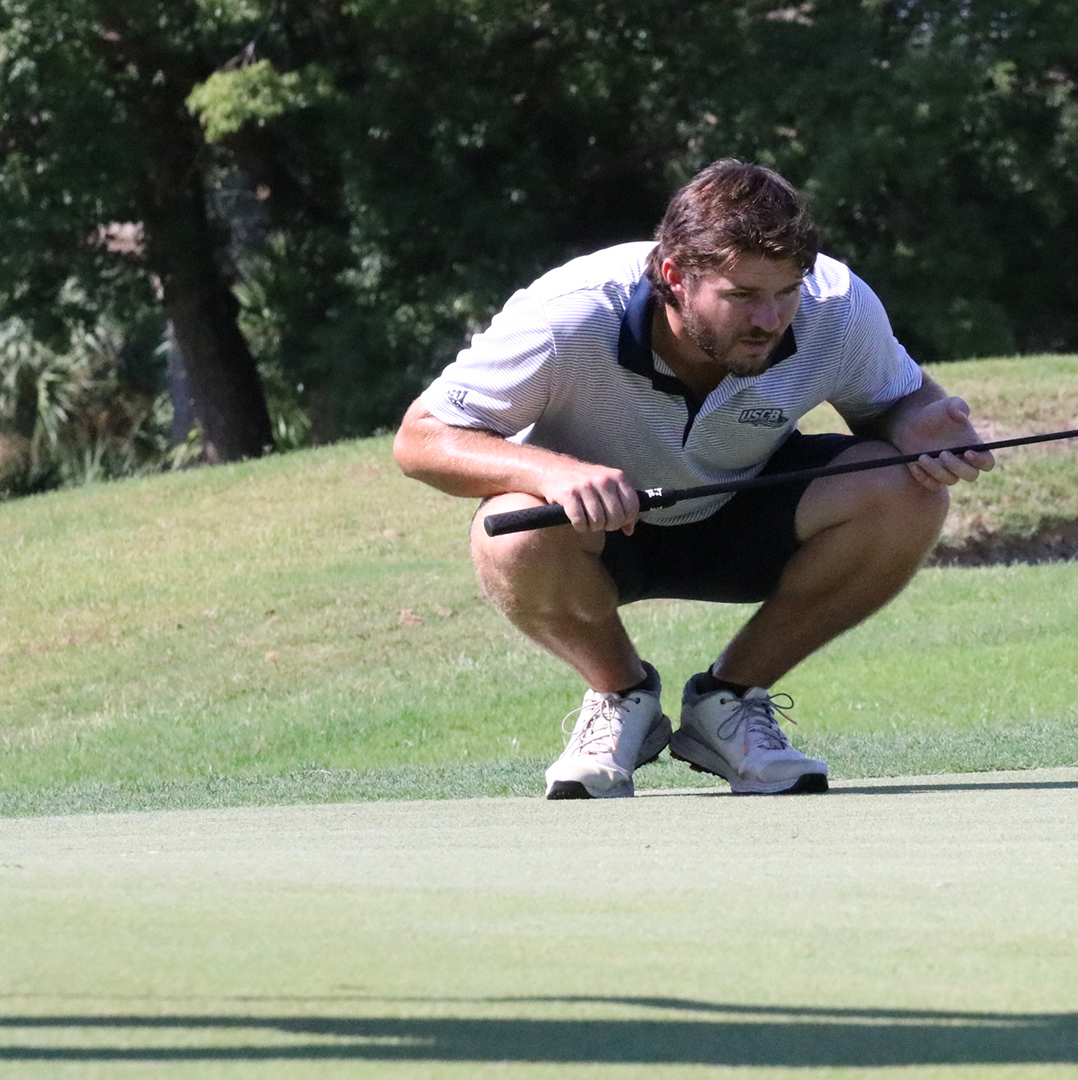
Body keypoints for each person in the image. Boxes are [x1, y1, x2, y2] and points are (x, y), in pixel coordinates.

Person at [393, 160, 992, 798]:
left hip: (745, 514)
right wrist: (552, 471)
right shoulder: (566, 315)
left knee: (906, 490)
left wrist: (918, 425)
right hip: (596, 535)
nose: (770, 318)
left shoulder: (835, 306)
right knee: (506, 532)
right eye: (741, 297)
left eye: (786, 290)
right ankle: (622, 700)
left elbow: (902, 403)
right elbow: (420, 439)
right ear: (676, 276)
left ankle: (727, 705)